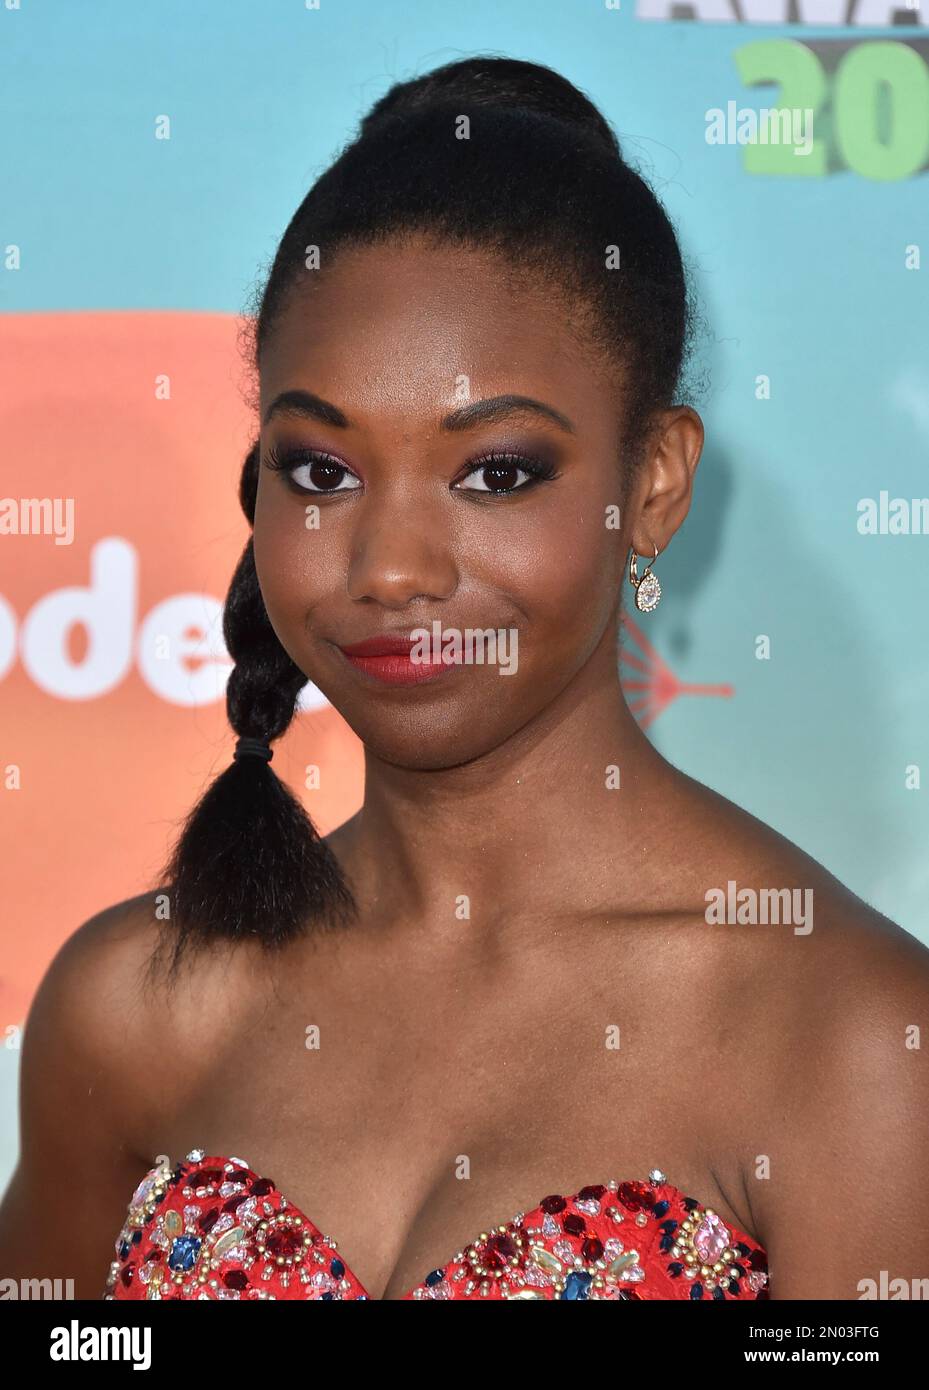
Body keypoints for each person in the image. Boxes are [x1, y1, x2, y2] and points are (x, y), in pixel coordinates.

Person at [1, 55, 926, 1302]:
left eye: (494, 472)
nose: (389, 569)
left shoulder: (854, 1044)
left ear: (649, 482)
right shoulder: (135, 1006)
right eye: (321, 472)